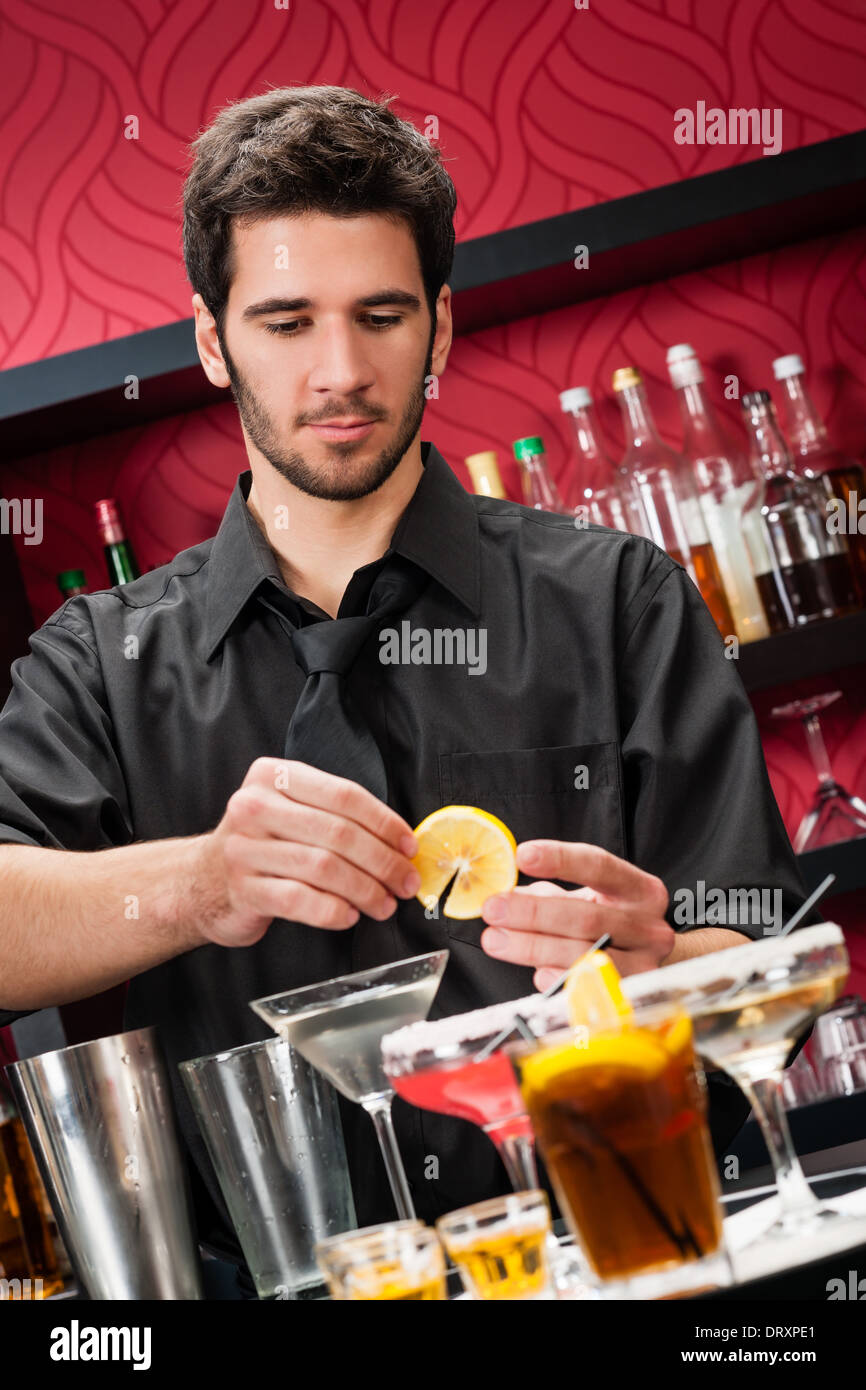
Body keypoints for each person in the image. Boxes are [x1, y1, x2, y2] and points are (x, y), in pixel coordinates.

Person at [0, 85, 816, 1287]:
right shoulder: (96, 661)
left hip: (613, 1249)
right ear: (210, 339)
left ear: (437, 329)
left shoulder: (616, 600)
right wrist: (199, 882)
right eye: (284, 322)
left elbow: (762, 942)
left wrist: (674, 968)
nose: (339, 372)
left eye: (379, 316)